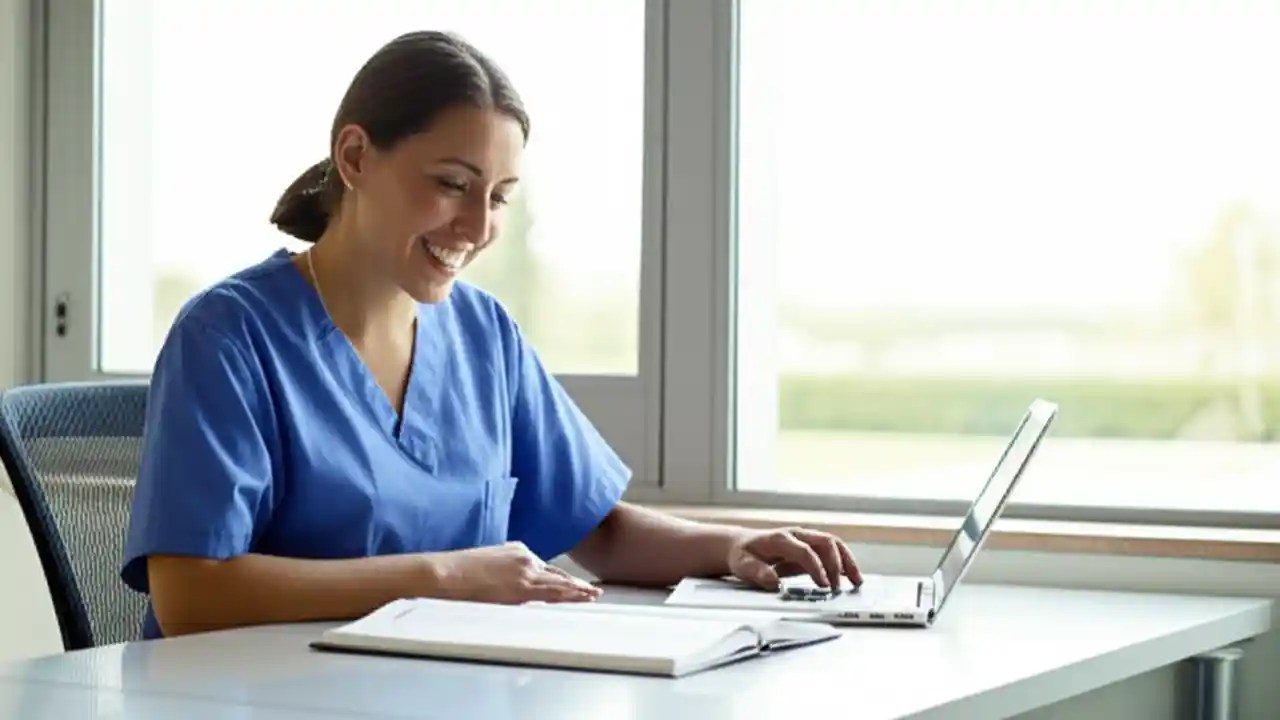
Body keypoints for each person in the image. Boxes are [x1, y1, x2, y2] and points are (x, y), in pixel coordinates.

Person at [120, 30, 861, 639]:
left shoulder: (482, 334)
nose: (477, 229)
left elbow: (594, 529)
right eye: (451, 184)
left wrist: (729, 548)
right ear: (354, 159)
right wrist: (443, 577)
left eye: (499, 197)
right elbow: (192, 595)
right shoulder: (229, 338)